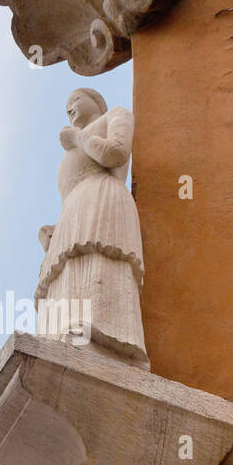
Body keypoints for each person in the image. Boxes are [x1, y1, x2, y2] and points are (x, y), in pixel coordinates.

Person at [36, 87, 149, 367]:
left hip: (102, 199)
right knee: (69, 271)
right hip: (73, 213)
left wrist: (78, 137)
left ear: (95, 101)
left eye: (75, 100)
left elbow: (116, 153)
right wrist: (54, 229)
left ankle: (105, 340)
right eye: (66, 106)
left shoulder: (114, 115)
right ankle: (64, 338)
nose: (70, 109)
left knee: (97, 262)